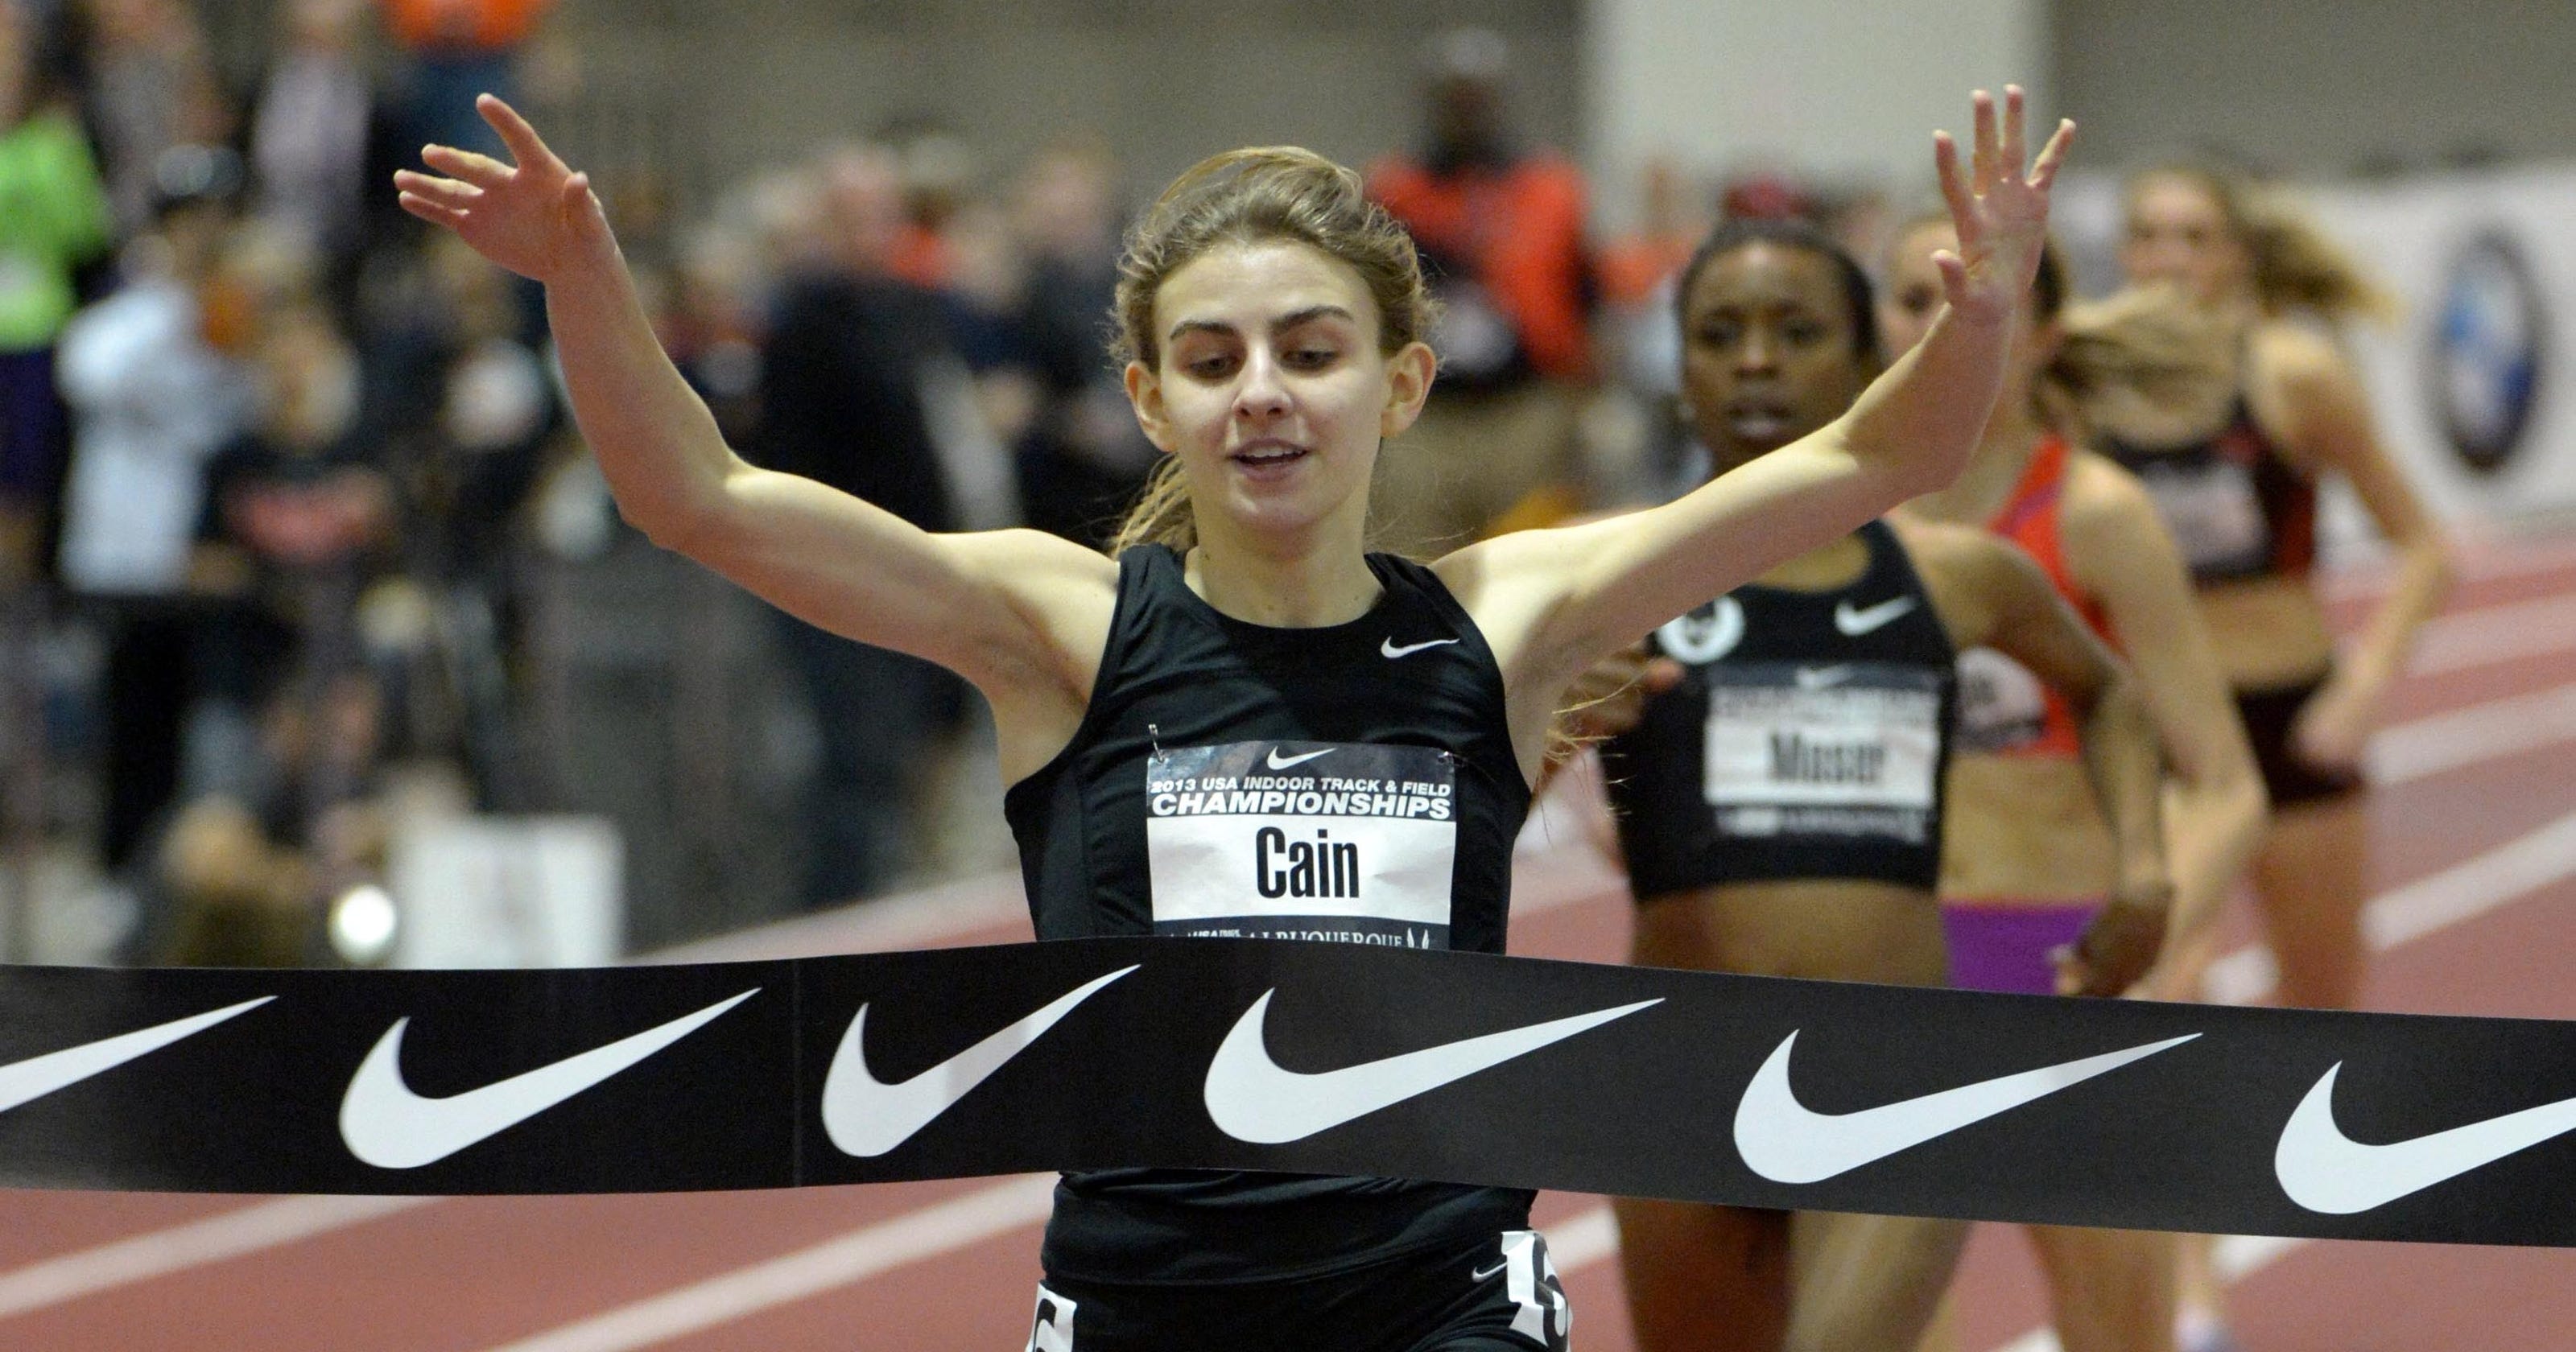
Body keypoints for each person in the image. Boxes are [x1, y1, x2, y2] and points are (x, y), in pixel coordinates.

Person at [396, 85, 2070, 1352]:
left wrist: (1981, 306)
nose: (1261, 390)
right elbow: (700, 499)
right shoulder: (1059, 631)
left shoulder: (1500, 621)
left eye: (1308, 349)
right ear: (1151, 401)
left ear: (1398, 386)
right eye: (1210, 358)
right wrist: (582, 274)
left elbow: (1876, 460)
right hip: (1149, 1304)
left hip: (1442, 1303)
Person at [1591, 214, 2171, 1352]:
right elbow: (1462, 764)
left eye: (1796, 330)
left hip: (1892, 1063)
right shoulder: (1605, 577)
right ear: (1681, 372)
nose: (1756, 359)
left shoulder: (1960, 580)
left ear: (1867, 367)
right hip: (1674, 1072)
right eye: (1719, 334)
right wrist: (1550, 715)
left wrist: (2144, 875)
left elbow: (2110, 695)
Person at [1884, 221, 2271, 1352]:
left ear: (2043, 331)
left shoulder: (2095, 514)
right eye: (1914, 299)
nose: (1941, 322)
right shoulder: (1837, 518)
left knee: (2118, 1330)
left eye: (1977, 296)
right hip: (1893, 968)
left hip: (2057, 960)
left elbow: (2226, 782)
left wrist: (2152, 919)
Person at [2107, 163, 2453, 1352]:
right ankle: (2195, 1290)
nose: (2166, 258)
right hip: (2169, 737)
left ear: (2238, 256)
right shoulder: (2083, 376)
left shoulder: (2291, 373)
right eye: (2146, 234)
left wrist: (2362, 691)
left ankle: (2255, 1194)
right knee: (2173, 989)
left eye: (2193, 236)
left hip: (2295, 722)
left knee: (2319, 1015)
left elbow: (2424, 547)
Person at [1365, 27, 1596, 554]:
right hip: (1423, 422)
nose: (1466, 110)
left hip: (1526, 413)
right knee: (1413, 565)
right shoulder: (1389, 192)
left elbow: (1587, 299)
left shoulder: (1551, 190)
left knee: (1531, 559)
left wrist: (1578, 405)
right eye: (1453, 96)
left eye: (1478, 96)